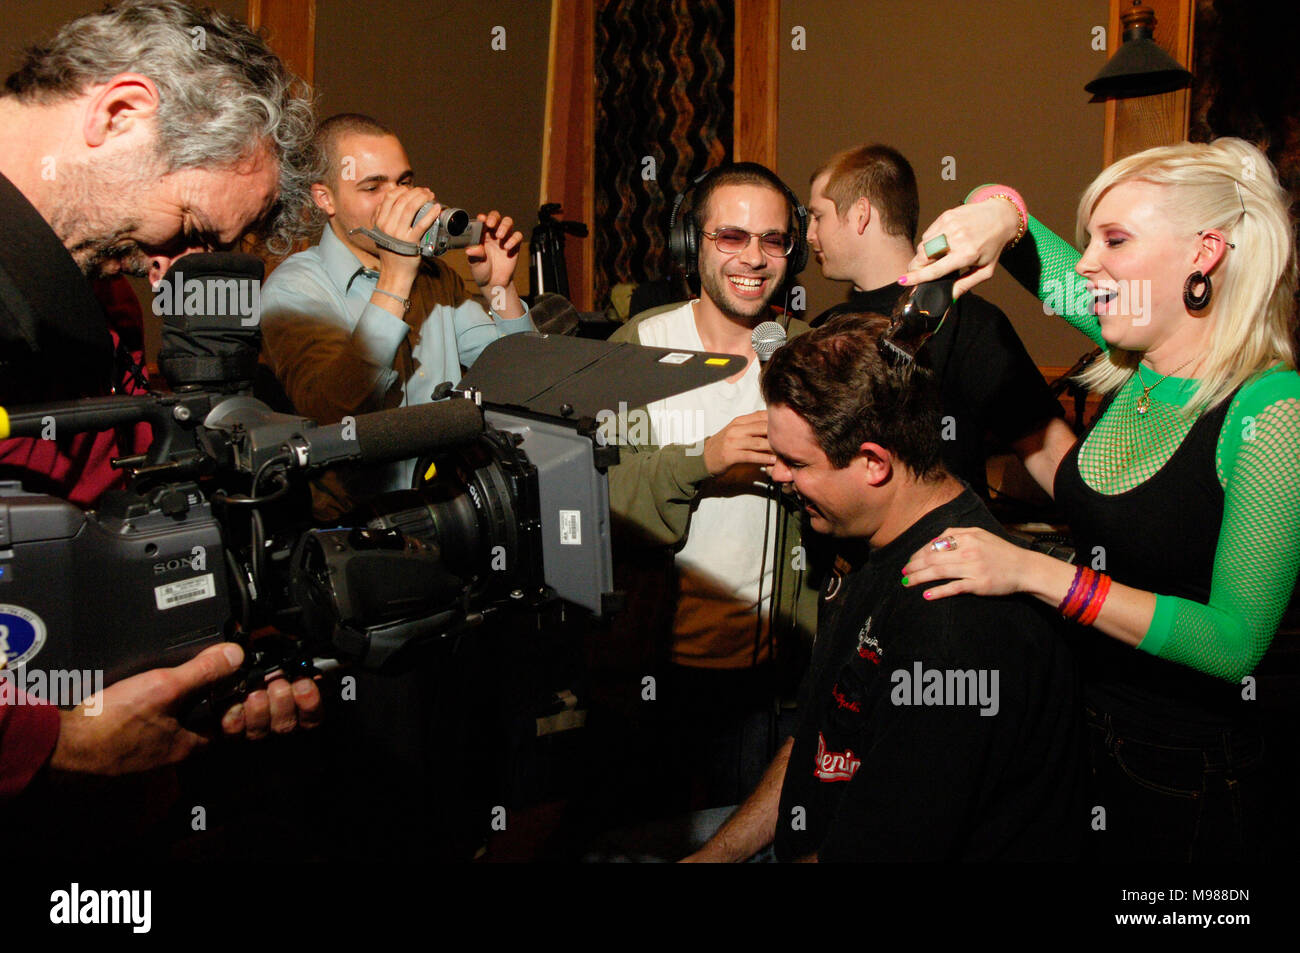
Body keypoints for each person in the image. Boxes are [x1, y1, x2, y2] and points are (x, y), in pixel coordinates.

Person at [898, 137, 1300, 861]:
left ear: (1203, 254)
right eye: (1088, 240)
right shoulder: (1138, 353)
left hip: (1193, 776)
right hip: (1083, 731)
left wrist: (1033, 571)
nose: (1086, 264)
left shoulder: (1274, 410)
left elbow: (1235, 643)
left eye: (1115, 239)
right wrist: (998, 213)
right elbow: (1012, 228)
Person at [0, 0, 322, 798]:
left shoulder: (89, 286)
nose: (170, 272)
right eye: (186, 227)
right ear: (120, 113)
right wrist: (52, 742)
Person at [683, 314, 1082, 862]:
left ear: (874, 463)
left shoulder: (951, 626)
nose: (777, 474)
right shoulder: (877, 543)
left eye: (795, 462)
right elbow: (819, 743)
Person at [601, 162, 820, 814]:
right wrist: (704, 459)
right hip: (653, 671)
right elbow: (594, 493)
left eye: (774, 240)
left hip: (768, 686)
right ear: (691, 245)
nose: (755, 258)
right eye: (732, 237)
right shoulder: (638, 348)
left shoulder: (809, 355)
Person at [260, 113, 534, 517]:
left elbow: (521, 383)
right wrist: (395, 276)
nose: (397, 200)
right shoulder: (294, 288)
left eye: (404, 183)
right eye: (372, 186)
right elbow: (334, 412)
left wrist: (500, 287)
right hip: (361, 522)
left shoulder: (435, 277)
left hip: (452, 508)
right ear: (325, 198)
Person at [805, 144, 1075, 497]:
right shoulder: (822, 329)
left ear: (860, 214)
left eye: (818, 216)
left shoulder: (967, 319)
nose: (809, 235)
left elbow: (1049, 453)